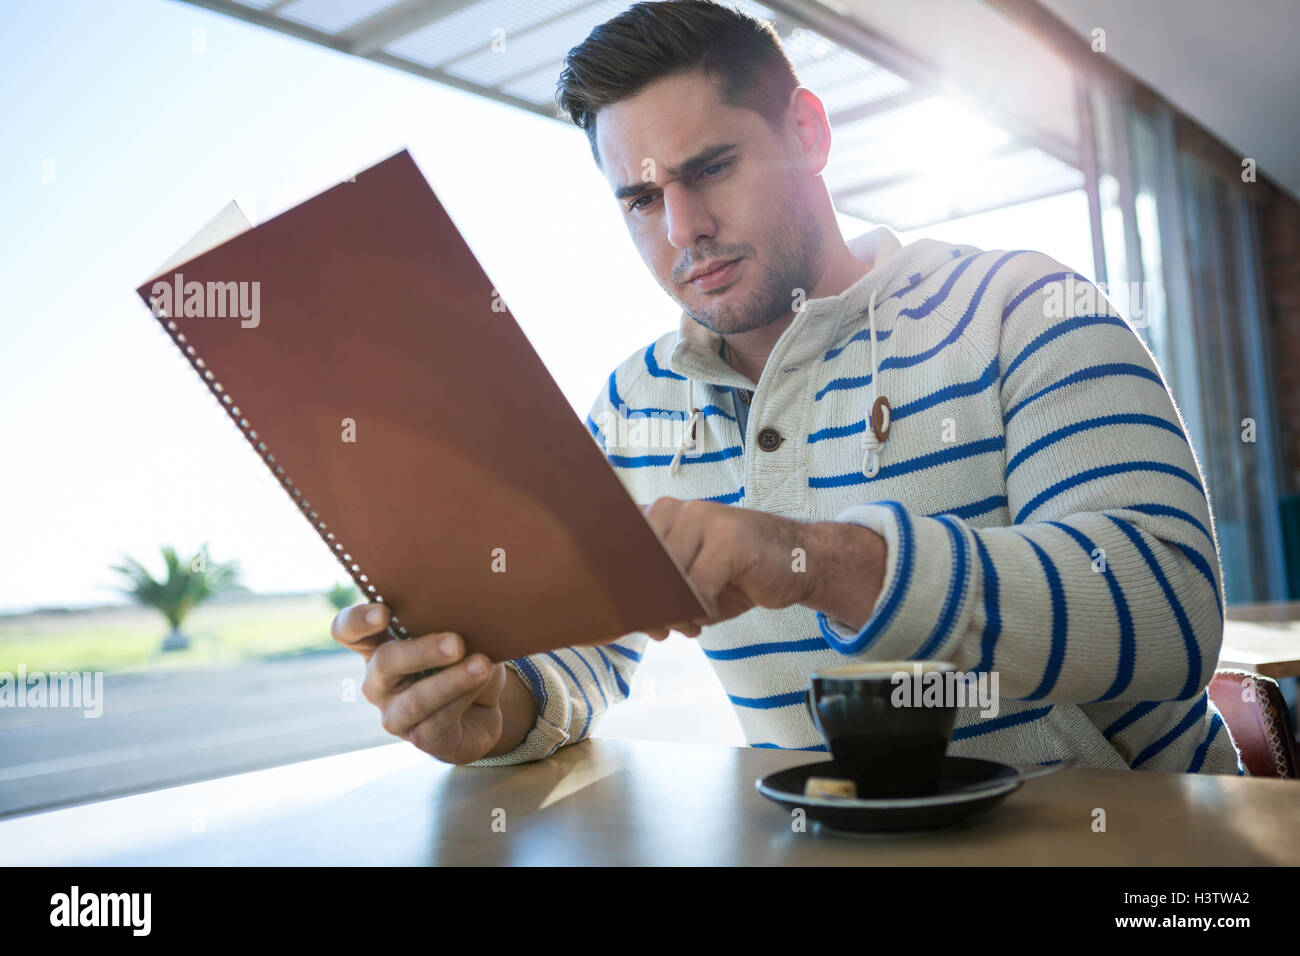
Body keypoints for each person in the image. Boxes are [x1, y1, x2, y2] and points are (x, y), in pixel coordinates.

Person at [331, 0, 1243, 775]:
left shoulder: (1025, 308)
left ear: (808, 133)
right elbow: (582, 662)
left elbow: (1172, 616)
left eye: (709, 170)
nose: (684, 229)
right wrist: (501, 710)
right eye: (641, 200)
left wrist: (823, 560)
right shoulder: (631, 408)